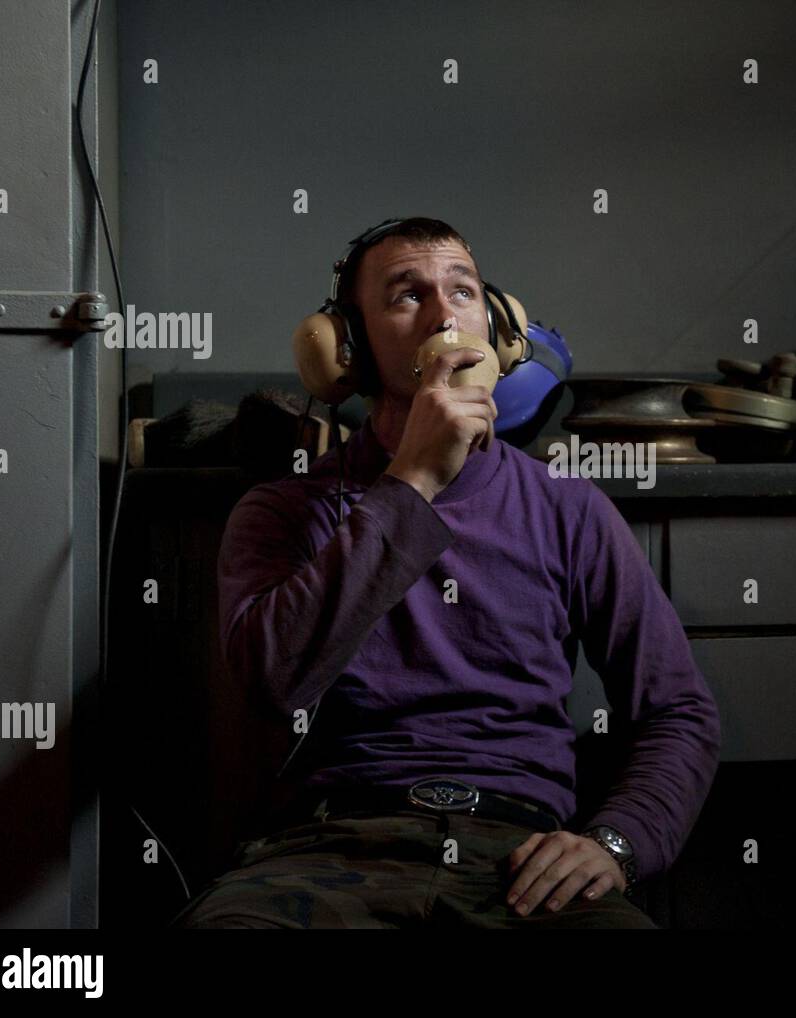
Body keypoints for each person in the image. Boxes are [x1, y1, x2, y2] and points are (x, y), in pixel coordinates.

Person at [170, 217, 721, 929]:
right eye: (406, 296)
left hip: (521, 857)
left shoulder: (568, 508)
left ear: (497, 329)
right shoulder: (281, 510)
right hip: (325, 850)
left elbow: (678, 711)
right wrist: (415, 480)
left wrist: (615, 845)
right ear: (348, 351)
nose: (444, 315)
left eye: (463, 292)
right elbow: (274, 682)